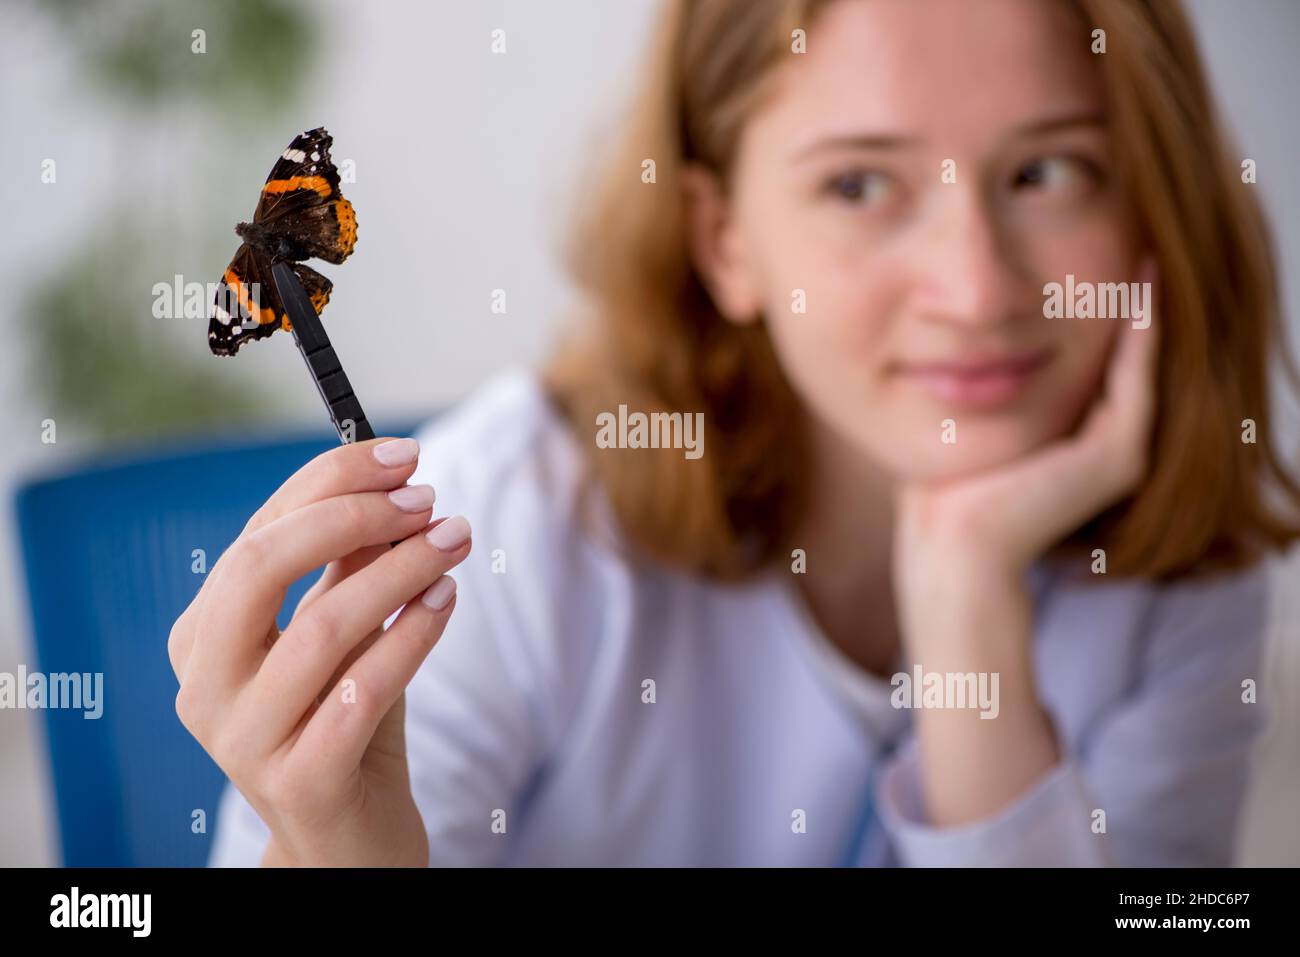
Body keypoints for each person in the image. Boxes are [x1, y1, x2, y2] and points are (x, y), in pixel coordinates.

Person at [171, 0, 1300, 866]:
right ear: (725, 243)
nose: (973, 286)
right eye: (860, 184)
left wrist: (969, 614)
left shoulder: (1180, 571)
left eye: (1047, 171)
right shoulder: (502, 530)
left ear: (1152, 195)